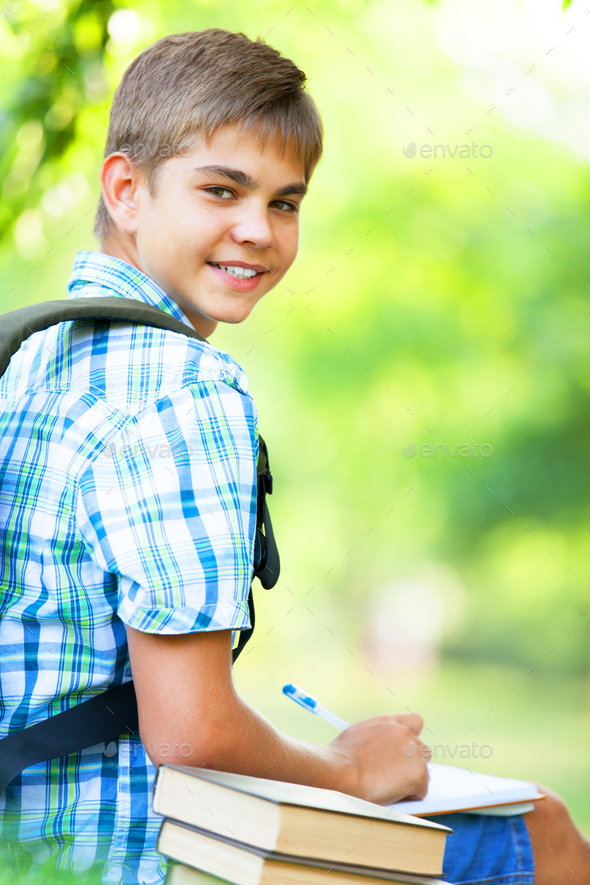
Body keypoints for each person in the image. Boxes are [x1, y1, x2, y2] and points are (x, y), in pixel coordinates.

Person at [0, 28, 588, 885]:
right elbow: (193, 731)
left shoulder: (32, 357)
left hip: (23, 837)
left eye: (284, 202)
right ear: (126, 188)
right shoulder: (185, 387)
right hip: (110, 854)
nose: (258, 231)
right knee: (545, 831)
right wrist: (351, 769)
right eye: (221, 189)